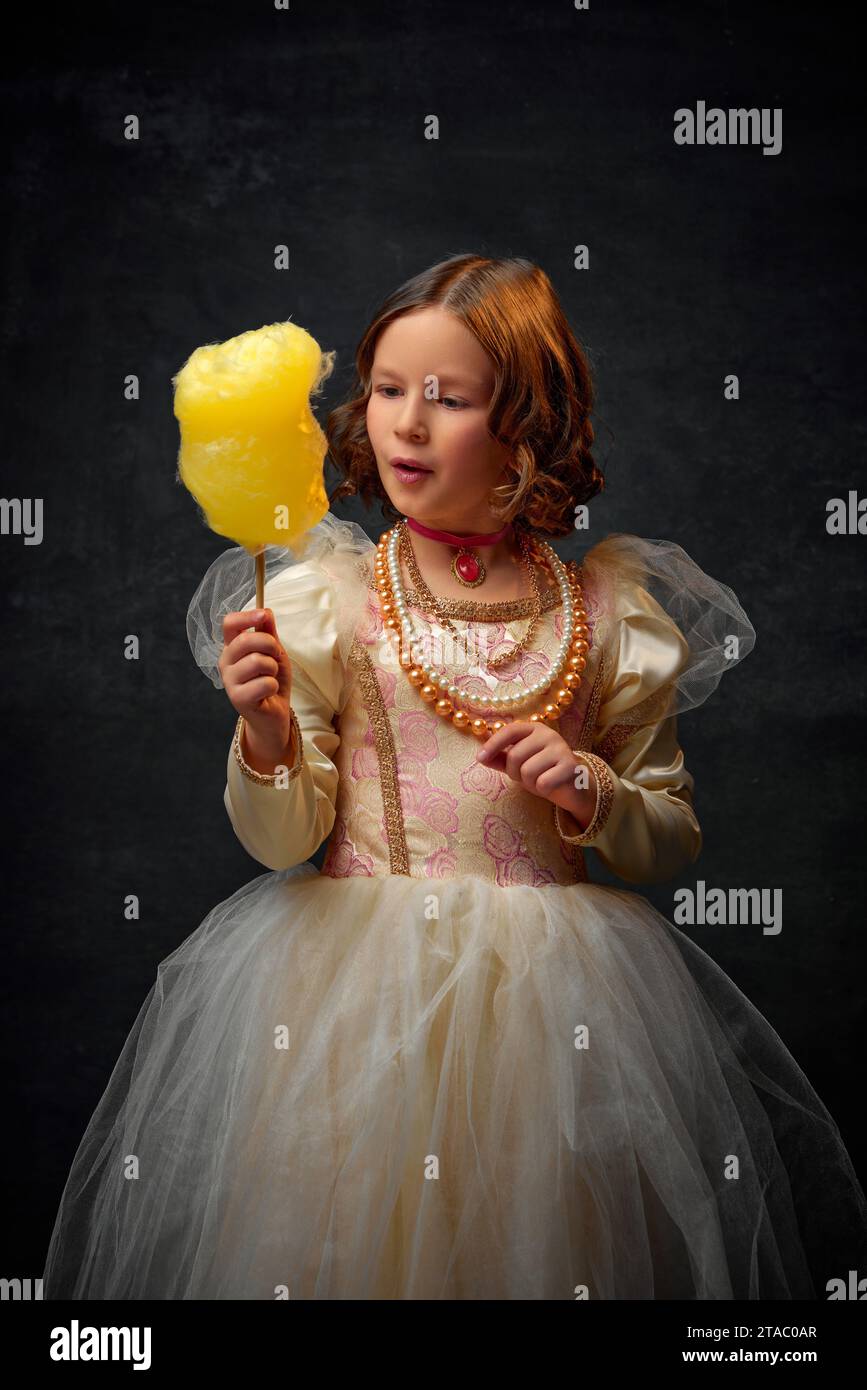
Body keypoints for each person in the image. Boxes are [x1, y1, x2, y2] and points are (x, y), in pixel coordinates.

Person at [42, 254, 867, 1299]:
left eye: (449, 398)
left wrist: (588, 789)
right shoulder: (332, 599)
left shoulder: (607, 610)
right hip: (350, 1008)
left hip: (558, 1018)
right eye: (387, 389)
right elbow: (281, 840)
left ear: (528, 423)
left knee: (539, 1249)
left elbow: (672, 839)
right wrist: (264, 738)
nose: (406, 424)